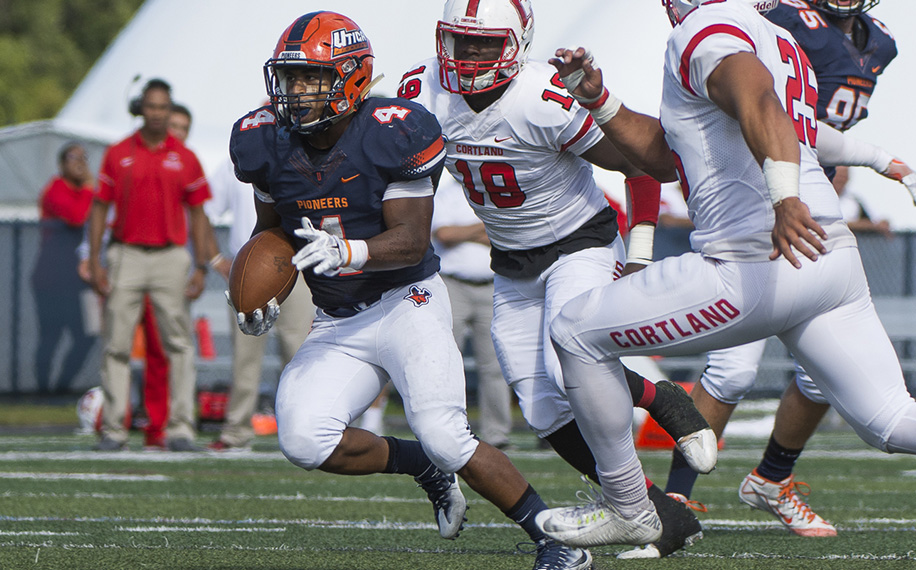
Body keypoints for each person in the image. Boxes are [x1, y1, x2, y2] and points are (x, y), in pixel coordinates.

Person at [534, 0, 916, 549]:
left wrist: (783, 199)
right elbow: (670, 158)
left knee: (575, 332)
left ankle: (629, 507)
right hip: (830, 259)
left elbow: (760, 103)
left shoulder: (708, 25)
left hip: (756, 259)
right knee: (891, 420)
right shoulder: (781, 44)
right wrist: (599, 99)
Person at [230, 12, 592, 570]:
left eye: (312, 79)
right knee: (303, 438)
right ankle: (420, 467)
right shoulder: (264, 143)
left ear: (351, 78)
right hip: (337, 318)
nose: (297, 93)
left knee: (448, 436)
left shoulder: (393, 129)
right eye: (292, 78)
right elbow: (270, 234)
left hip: (407, 302)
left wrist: (350, 252)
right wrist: (258, 297)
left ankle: (553, 540)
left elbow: (410, 238)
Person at [397, 0, 715, 557]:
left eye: (485, 43)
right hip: (512, 260)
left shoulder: (543, 97)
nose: (469, 54)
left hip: (579, 243)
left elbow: (638, 163)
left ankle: (659, 397)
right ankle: (659, 512)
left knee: (564, 361)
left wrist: (639, 250)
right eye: (459, 40)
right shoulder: (422, 90)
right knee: (543, 408)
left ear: (517, 43)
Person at [659, 0, 915, 540]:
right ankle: (673, 498)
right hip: (758, 206)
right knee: (732, 371)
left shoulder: (881, 43)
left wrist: (869, 160)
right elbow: (766, 111)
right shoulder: (784, 23)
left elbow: (806, 124)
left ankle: (771, 480)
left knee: (824, 380)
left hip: (806, 207)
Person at [87, 78, 212, 452]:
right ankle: (113, 430)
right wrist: (94, 261)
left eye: (163, 107)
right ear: (141, 108)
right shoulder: (118, 152)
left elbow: (199, 214)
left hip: (171, 256)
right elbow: (99, 208)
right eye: (151, 106)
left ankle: (180, 428)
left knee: (179, 345)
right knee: (117, 346)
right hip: (125, 254)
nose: (157, 113)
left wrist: (202, 265)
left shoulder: (186, 157)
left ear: (169, 110)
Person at [203, 164, 314, 452]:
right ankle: (236, 431)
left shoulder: (304, 152)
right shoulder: (236, 162)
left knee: (301, 354)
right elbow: (204, 209)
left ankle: (305, 430)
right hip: (249, 272)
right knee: (245, 357)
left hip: (299, 266)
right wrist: (216, 259)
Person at [431, 173, 512, 450]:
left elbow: (506, 236)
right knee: (444, 360)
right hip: (453, 285)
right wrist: (482, 228)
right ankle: (446, 426)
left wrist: (464, 232)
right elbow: (443, 234)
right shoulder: (447, 193)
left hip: (492, 285)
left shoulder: (496, 194)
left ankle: (496, 433)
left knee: (496, 365)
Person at [32, 142, 98, 394]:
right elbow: (77, 216)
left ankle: (62, 386)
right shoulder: (56, 189)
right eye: (73, 157)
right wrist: (90, 189)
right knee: (51, 335)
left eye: (84, 157)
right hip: (52, 277)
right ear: (61, 164)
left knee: (87, 336)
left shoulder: (87, 191)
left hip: (79, 279)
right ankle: (42, 391)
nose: (80, 162)